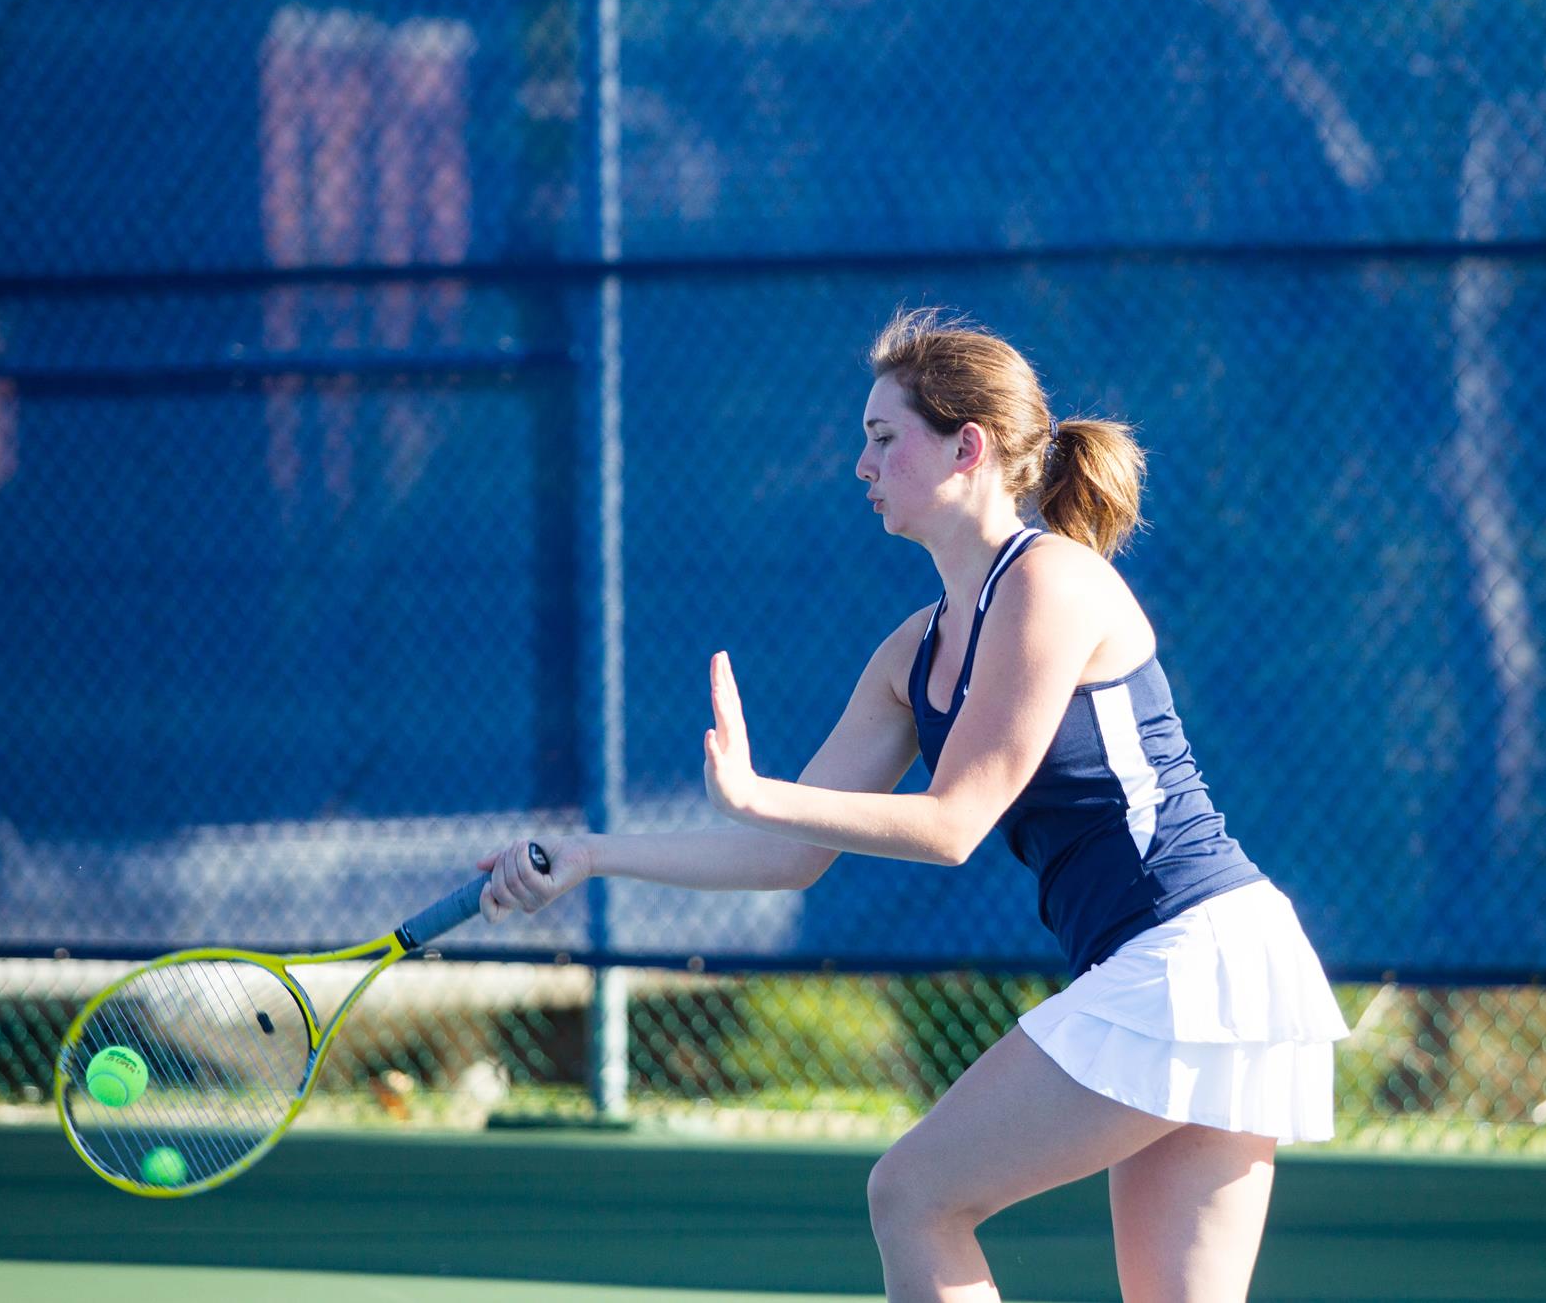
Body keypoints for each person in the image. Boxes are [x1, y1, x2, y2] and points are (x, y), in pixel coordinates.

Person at [477, 307, 1349, 1301]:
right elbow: (783, 855)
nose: (860, 464)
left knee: (912, 1194)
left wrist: (760, 794)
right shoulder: (911, 655)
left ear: (965, 446)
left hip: (1192, 954)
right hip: (1188, 965)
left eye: (884, 438)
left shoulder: (1053, 583)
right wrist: (590, 855)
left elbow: (952, 822)